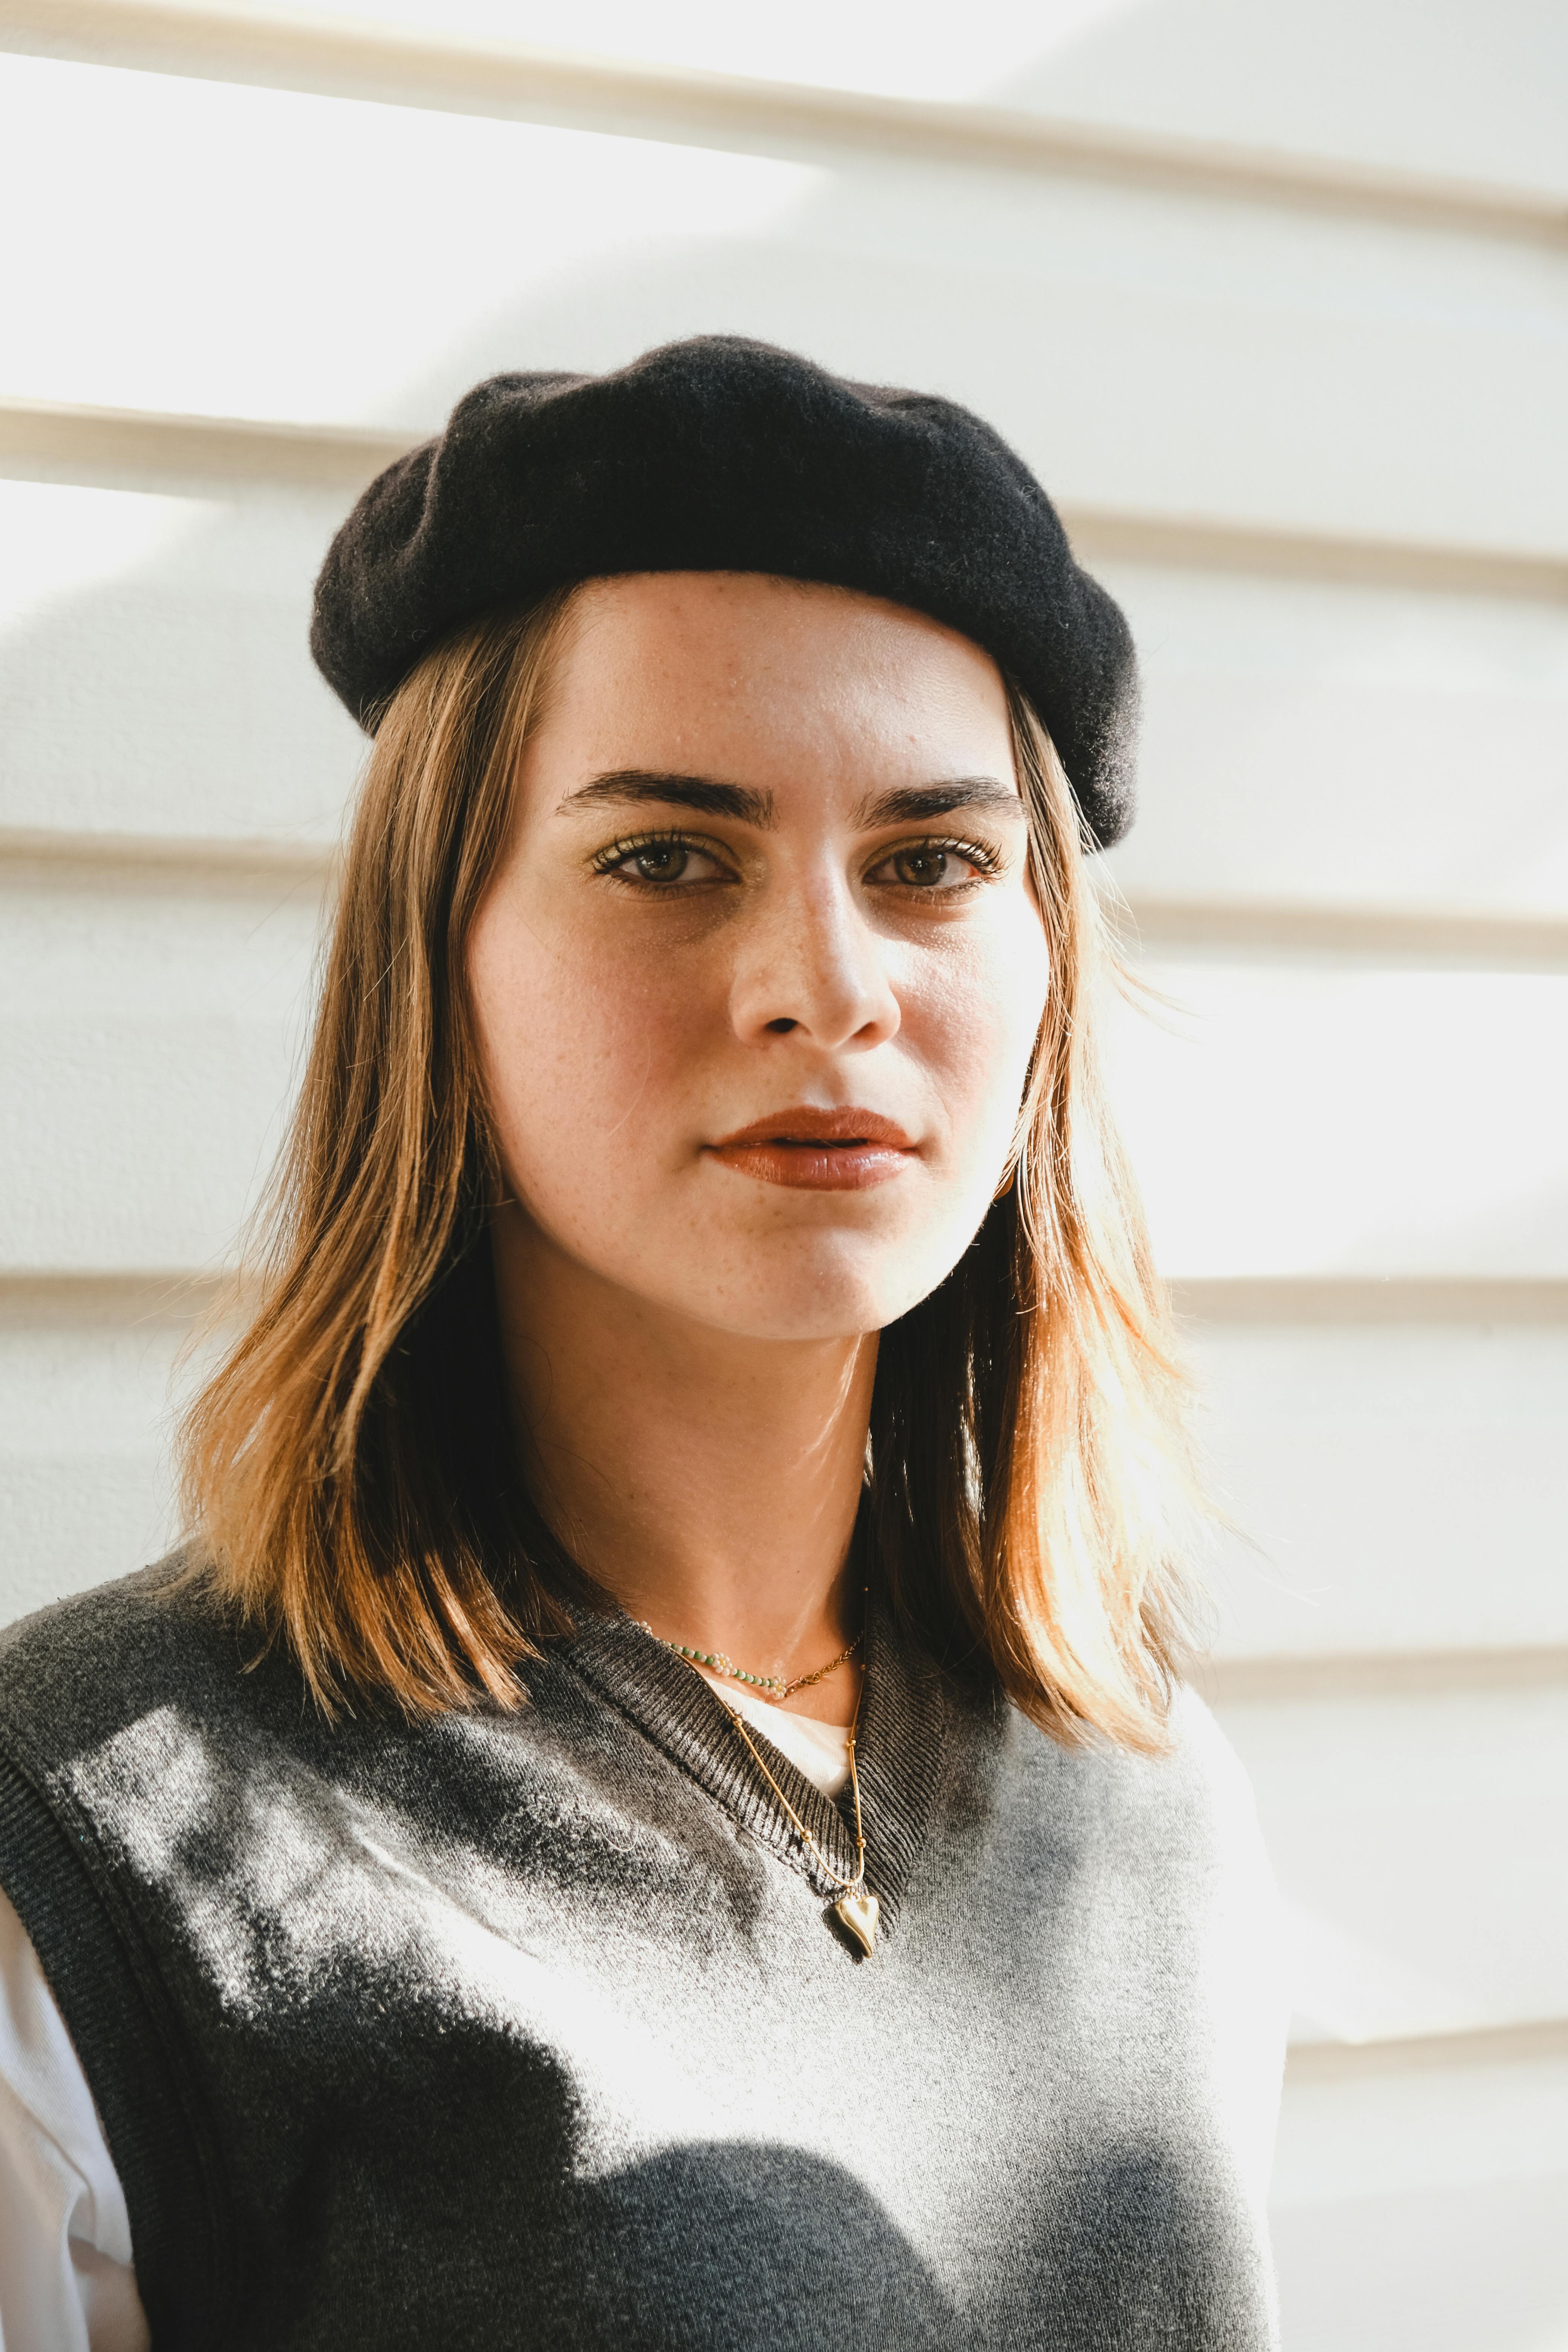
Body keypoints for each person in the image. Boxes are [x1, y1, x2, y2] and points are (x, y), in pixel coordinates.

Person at [0, 337, 1284, 2350]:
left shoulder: (1148, 1793)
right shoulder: (92, 1847)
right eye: (668, 857)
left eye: (933, 863)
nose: (825, 985)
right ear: (441, 960)